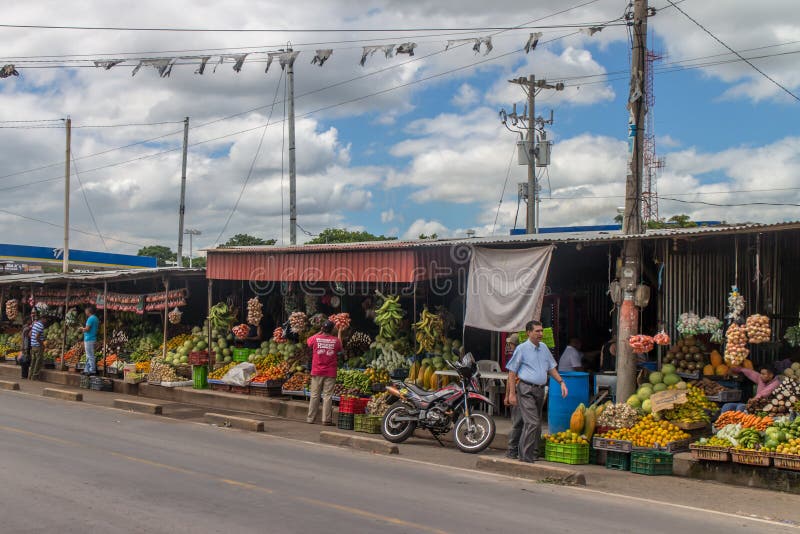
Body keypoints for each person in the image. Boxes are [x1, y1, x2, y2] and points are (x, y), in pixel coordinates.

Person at [507, 320, 569, 463]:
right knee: (532, 422)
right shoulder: (522, 349)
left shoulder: (544, 348)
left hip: (540, 390)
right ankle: (525, 455)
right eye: (537, 331)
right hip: (525, 389)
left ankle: (530, 453)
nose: (540, 334)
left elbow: (551, 368)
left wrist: (561, 382)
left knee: (535, 423)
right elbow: (511, 372)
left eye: (541, 331)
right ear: (529, 333)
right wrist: (511, 394)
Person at [306, 320, 344, 426]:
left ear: (322, 328)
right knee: (327, 396)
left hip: (317, 371)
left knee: (314, 395)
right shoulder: (335, 340)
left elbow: (308, 341)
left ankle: (310, 419)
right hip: (330, 372)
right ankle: (326, 420)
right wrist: (340, 332)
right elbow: (340, 348)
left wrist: (319, 332)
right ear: (332, 330)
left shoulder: (315, 338)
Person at [503, 336, 523, 459]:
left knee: (518, 423)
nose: (508, 346)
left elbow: (510, 378)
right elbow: (510, 378)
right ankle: (513, 450)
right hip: (517, 392)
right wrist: (508, 395)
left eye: (509, 344)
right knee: (518, 423)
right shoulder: (518, 355)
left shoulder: (518, 355)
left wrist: (508, 395)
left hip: (519, 392)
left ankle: (514, 450)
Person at [79, 305, 100, 376]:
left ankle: (92, 370)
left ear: (89, 311)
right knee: (88, 355)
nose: (85, 312)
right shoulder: (96, 318)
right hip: (92, 338)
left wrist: (82, 329)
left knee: (90, 355)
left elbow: (87, 329)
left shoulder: (90, 318)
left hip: (89, 339)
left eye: (86, 310)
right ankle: (87, 370)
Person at [29, 314, 46, 380]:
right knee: (38, 361)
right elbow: (37, 337)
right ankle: (34, 376)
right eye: (45, 319)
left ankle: (30, 375)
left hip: (33, 346)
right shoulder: (41, 326)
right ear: (42, 318)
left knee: (33, 361)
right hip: (38, 346)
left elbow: (30, 334)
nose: (46, 321)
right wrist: (42, 344)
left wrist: (33, 341)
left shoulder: (35, 324)